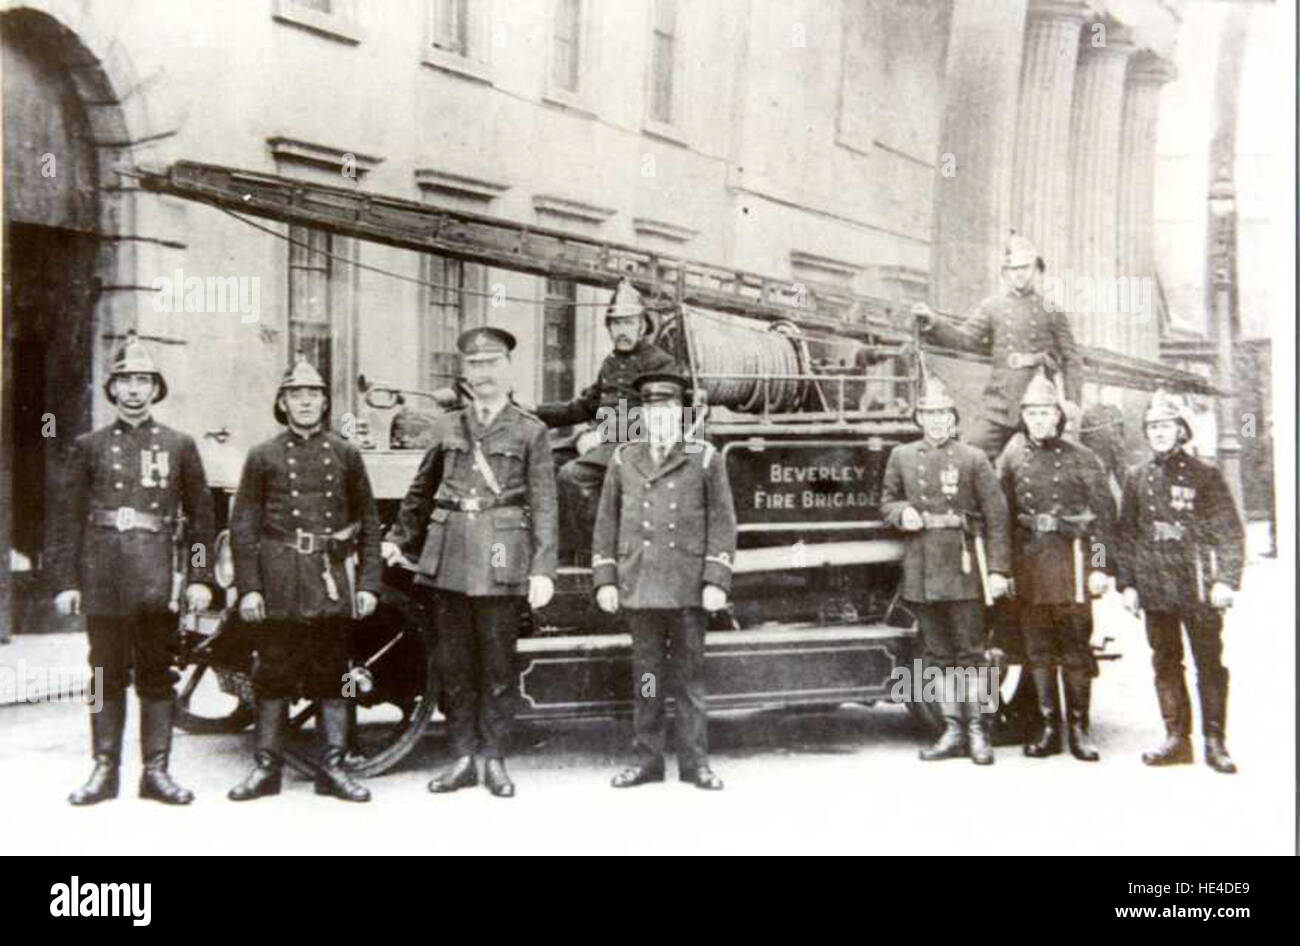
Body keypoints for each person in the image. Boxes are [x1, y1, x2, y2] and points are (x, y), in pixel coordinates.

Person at [384, 327, 557, 798]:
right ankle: (462, 756)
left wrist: (543, 569)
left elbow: (544, 504)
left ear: (507, 369)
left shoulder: (530, 430)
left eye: (491, 365)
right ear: (465, 372)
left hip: (502, 555)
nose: (482, 375)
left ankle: (495, 758)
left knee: (498, 665)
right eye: (474, 366)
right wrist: (398, 537)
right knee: (454, 664)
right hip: (452, 554)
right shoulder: (447, 426)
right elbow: (421, 489)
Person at [50, 331, 215, 806]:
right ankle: (104, 770)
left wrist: (201, 577)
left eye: (144, 381)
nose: (135, 390)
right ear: (113, 389)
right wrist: (66, 582)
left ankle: (156, 773)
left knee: (156, 673)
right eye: (126, 381)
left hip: (156, 580)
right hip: (102, 578)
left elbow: (202, 520)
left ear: (156, 389)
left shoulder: (179, 446)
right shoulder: (88, 446)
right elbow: (66, 520)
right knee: (104, 673)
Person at [227, 357, 383, 803]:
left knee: (332, 673)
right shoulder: (263, 455)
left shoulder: (345, 453)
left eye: (314, 394)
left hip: (330, 578)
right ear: (283, 402)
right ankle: (266, 770)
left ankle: (332, 769)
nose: (306, 402)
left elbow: (369, 523)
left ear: (325, 402)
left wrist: (369, 584)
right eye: (297, 394)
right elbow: (243, 527)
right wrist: (250, 588)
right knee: (272, 673)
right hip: (278, 580)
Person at [593, 367, 735, 790]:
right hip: (640, 587)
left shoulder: (705, 457)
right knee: (648, 679)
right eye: (652, 412)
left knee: (690, 681)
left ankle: (696, 765)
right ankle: (647, 762)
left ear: (680, 414)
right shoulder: (623, 459)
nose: (660, 420)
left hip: (687, 587)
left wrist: (715, 579)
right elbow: (606, 522)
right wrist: (605, 579)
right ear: (642, 417)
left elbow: (723, 523)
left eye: (668, 411)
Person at [880, 375, 1011, 764]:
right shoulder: (901, 456)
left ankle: (978, 732)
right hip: (921, 567)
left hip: (964, 564)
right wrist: (901, 512)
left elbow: (997, 517)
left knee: (971, 653)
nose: (936, 421)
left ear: (953, 419)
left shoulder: (973, 458)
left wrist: (999, 570)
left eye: (943, 414)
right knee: (936, 655)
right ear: (919, 419)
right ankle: (951, 730)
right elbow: (886, 501)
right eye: (929, 414)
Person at [1116, 390, 1245, 774]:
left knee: (1208, 662)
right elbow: (1125, 536)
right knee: (1165, 662)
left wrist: (1226, 580)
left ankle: (1215, 741)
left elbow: (1230, 533)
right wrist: (1128, 584)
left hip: (1197, 582)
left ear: (1181, 430)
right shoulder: (1136, 478)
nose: (1158, 433)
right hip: (1155, 583)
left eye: (1165, 426)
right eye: (1152, 427)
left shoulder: (1206, 476)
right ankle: (1177, 739)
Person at [1000, 370, 1115, 760]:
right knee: (1038, 651)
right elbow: (1002, 516)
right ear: (1023, 417)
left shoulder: (1084, 459)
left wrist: (1100, 568)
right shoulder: (1012, 456)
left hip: (1073, 565)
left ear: (1058, 417)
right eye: (1032, 413)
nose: (1039, 420)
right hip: (1030, 566)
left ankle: (1079, 731)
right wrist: (1004, 568)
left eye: (1046, 413)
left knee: (1075, 650)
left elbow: (1104, 518)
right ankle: (1049, 729)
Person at [532, 278, 676, 553]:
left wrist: (602, 433)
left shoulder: (659, 362)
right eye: (616, 324)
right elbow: (584, 406)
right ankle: (557, 547)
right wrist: (532, 411)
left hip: (639, 446)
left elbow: (661, 418)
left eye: (628, 322)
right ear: (609, 328)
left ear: (642, 325)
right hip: (606, 443)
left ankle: (596, 552)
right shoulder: (611, 363)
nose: (622, 330)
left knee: (573, 475)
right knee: (546, 463)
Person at [911, 234, 1083, 462]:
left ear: (1036, 270)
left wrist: (1071, 402)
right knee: (970, 457)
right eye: (1014, 269)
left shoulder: (1051, 310)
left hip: (1039, 405)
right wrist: (934, 322)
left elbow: (1072, 358)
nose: (1020, 273)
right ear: (1005, 274)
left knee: (1045, 467)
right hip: (998, 406)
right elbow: (965, 339)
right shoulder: (993, 307)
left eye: (1026, 267)